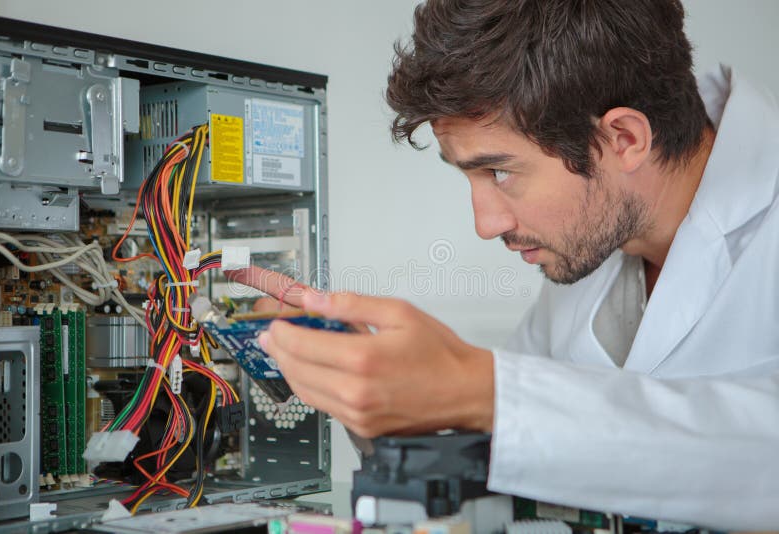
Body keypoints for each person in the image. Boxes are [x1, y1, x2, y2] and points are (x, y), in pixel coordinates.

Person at [228, 0, 779, 529]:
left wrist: (482, 389)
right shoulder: (590, 242)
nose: (486, 223)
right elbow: (513, 451)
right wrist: (372, 380)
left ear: (624, 138)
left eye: (500, 172)